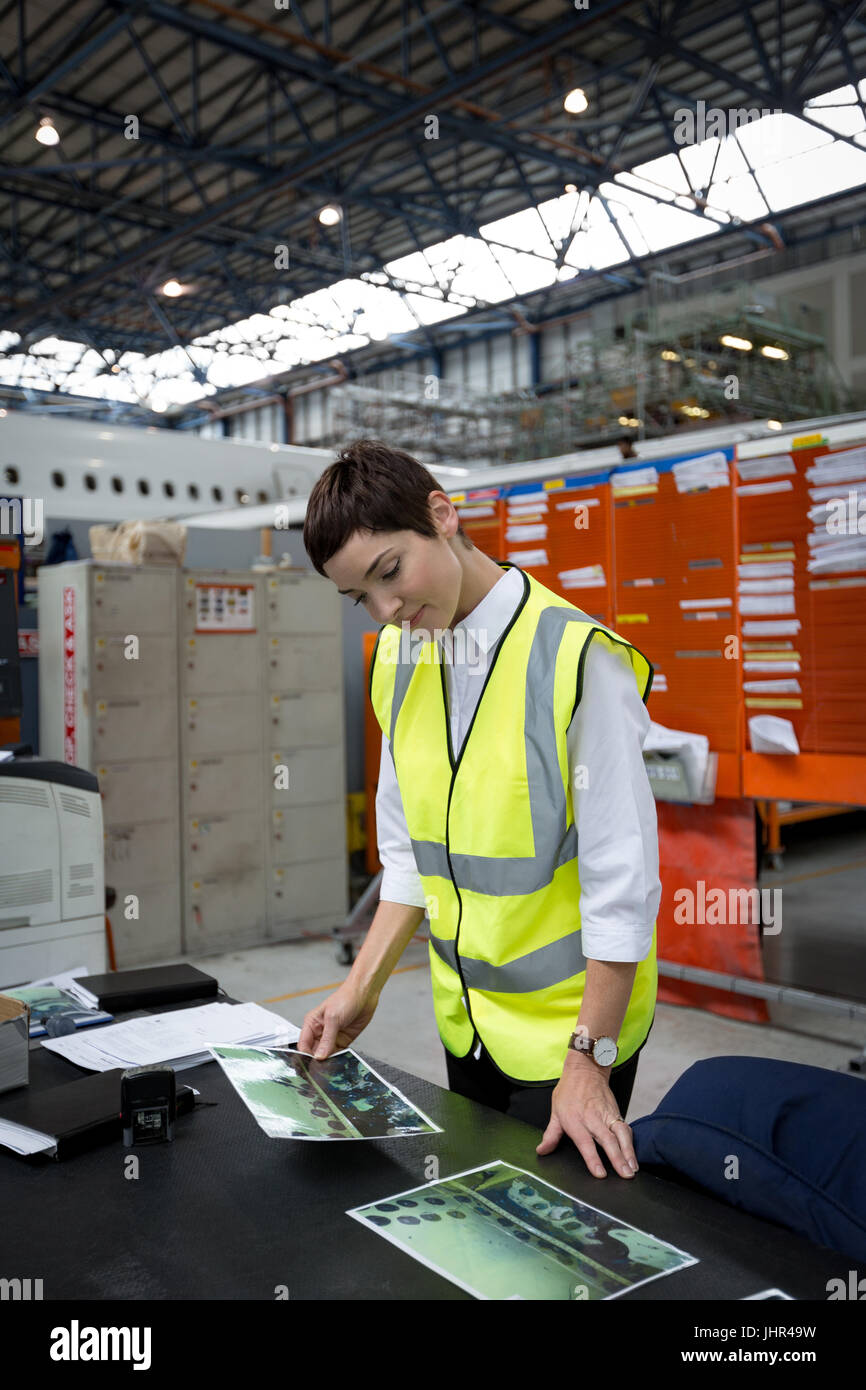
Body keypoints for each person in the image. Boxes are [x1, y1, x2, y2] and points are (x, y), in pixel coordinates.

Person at [299, 439, 661, 1180]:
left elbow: (622, 886)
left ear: (443, 515)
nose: (386, 610)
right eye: (359, 598)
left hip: (573, 1039)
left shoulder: (577, 658)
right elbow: (409, 857)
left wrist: (589, 1059)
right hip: (465, 1029)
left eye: (390, 572)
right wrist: (358, 988)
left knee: (555, 1257)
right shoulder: (400, 663)